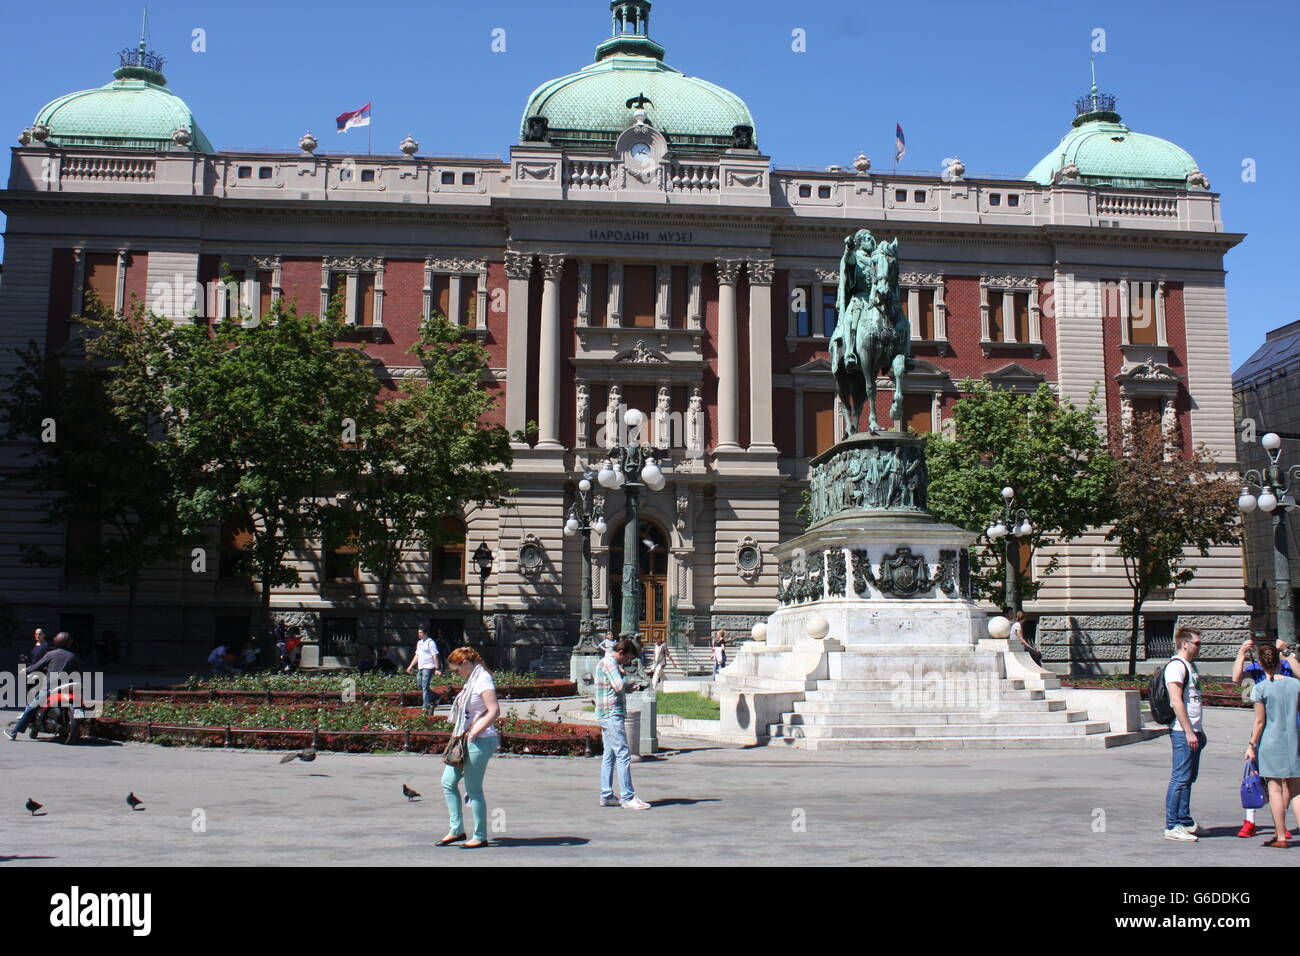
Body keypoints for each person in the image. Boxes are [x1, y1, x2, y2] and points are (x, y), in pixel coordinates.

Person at [1233, 638, 1296, 837]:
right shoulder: (1258, 671)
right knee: (1257, 775)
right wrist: (1241, 655)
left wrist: (1286, 652)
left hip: (1281, 729)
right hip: (1266, 730)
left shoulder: (1285, 667)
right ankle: (1251, 820)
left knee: (1282, 781)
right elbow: (1237, 678)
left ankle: (1280, 824)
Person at [438, 648, 500, 848]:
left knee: (473, 789)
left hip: (479, 740)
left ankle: (480, 835)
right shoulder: (473, 679)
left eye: (457, 671)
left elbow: (494, 710)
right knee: (448, 781)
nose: (457, 675)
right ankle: (456, 830)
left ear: (465, 663)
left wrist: (475, 732)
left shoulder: (482, 679)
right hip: (465, 739)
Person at [595, 639, 650, 810]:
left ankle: (606, 795)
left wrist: (631, 688)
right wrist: (624, 678)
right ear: (621, 653)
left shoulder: (605, 663)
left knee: (609, 755)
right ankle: (628, 797)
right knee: (623, 754)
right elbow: (618, 685)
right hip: (612, 714)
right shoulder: (611, 663)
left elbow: (615, 687)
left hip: (604, 713)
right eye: (627, 658)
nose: (628, 662)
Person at [1163, 627, 1205, 842]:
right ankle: (1172, 825)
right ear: (1184, 643)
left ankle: (1185, 821)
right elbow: (1176, 701)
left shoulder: (1190, 666)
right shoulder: (1176, 666)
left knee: (1188, 778)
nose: (1200, 646)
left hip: (1194, 731)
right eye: (1197, 643)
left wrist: (1198, 731)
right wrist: (1188, 731)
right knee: (1180, 778)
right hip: (1182, 732)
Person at [6, 632, 80, 741]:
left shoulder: (51, 654)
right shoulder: (73, 656)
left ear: (57, 641)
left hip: (50, 688)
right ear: (69, 643)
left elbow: (37, 666)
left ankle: (14, 732)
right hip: (68, 687)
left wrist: (25, 670)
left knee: (31, 707)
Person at [406, 628, 443, 711]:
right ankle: (436, 696)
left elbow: (435, 655)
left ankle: (425, 705)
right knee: (420, 685)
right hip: (421, 667)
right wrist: (411, 666)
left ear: (426, 633)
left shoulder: (430, 642)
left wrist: (437, 668)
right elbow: (417, 655)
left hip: (429, 667)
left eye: (421, 633)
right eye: (419, 633)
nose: (419, 634)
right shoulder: (419, 643)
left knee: (425, 686)